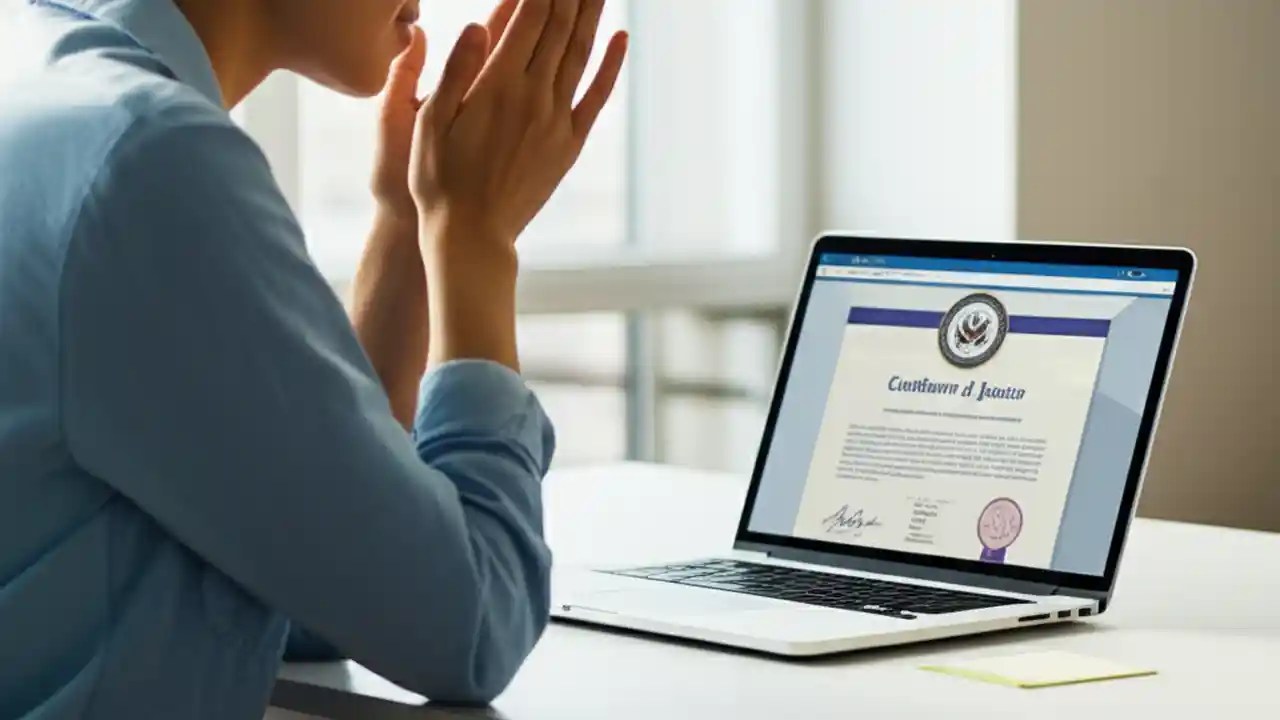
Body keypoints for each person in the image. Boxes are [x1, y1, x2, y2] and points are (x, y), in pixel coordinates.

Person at [0, 0, 627, 716]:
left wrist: (408, 225)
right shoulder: (151, 161)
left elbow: (316, 577)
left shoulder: (54, 92)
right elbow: (473, 625)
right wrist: (476, 240)